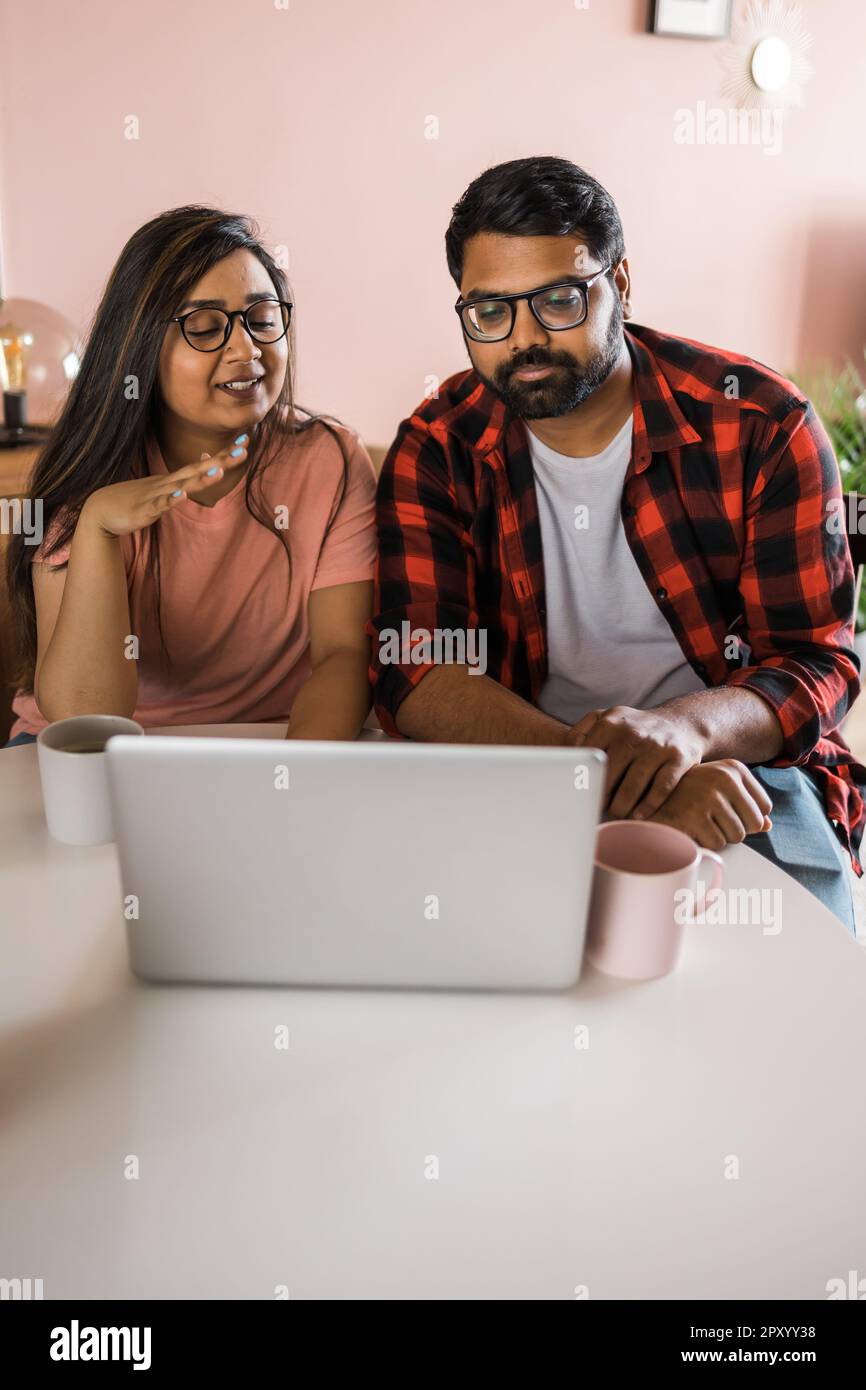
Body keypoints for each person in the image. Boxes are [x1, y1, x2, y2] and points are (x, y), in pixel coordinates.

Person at [367, 156, 866, 935]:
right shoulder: (438, 449)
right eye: (490, 311)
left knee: (812, 982)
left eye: (560, 300)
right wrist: (607, 770)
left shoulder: (762, 424)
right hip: (520, 761)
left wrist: (685, 730)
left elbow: (818, 661)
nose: (525, 339)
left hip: (735, 768)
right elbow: (421, 670)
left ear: (621, 284)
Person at [6, 206, 376, 747]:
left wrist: (293, 780)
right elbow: (84, 717)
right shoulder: (92, 468)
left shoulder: (331, 458)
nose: (246, 349)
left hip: (272, 743)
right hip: (101, 747)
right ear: (140, 348)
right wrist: (98, 528)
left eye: (263, 318)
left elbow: (343, 656)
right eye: (203, 327)